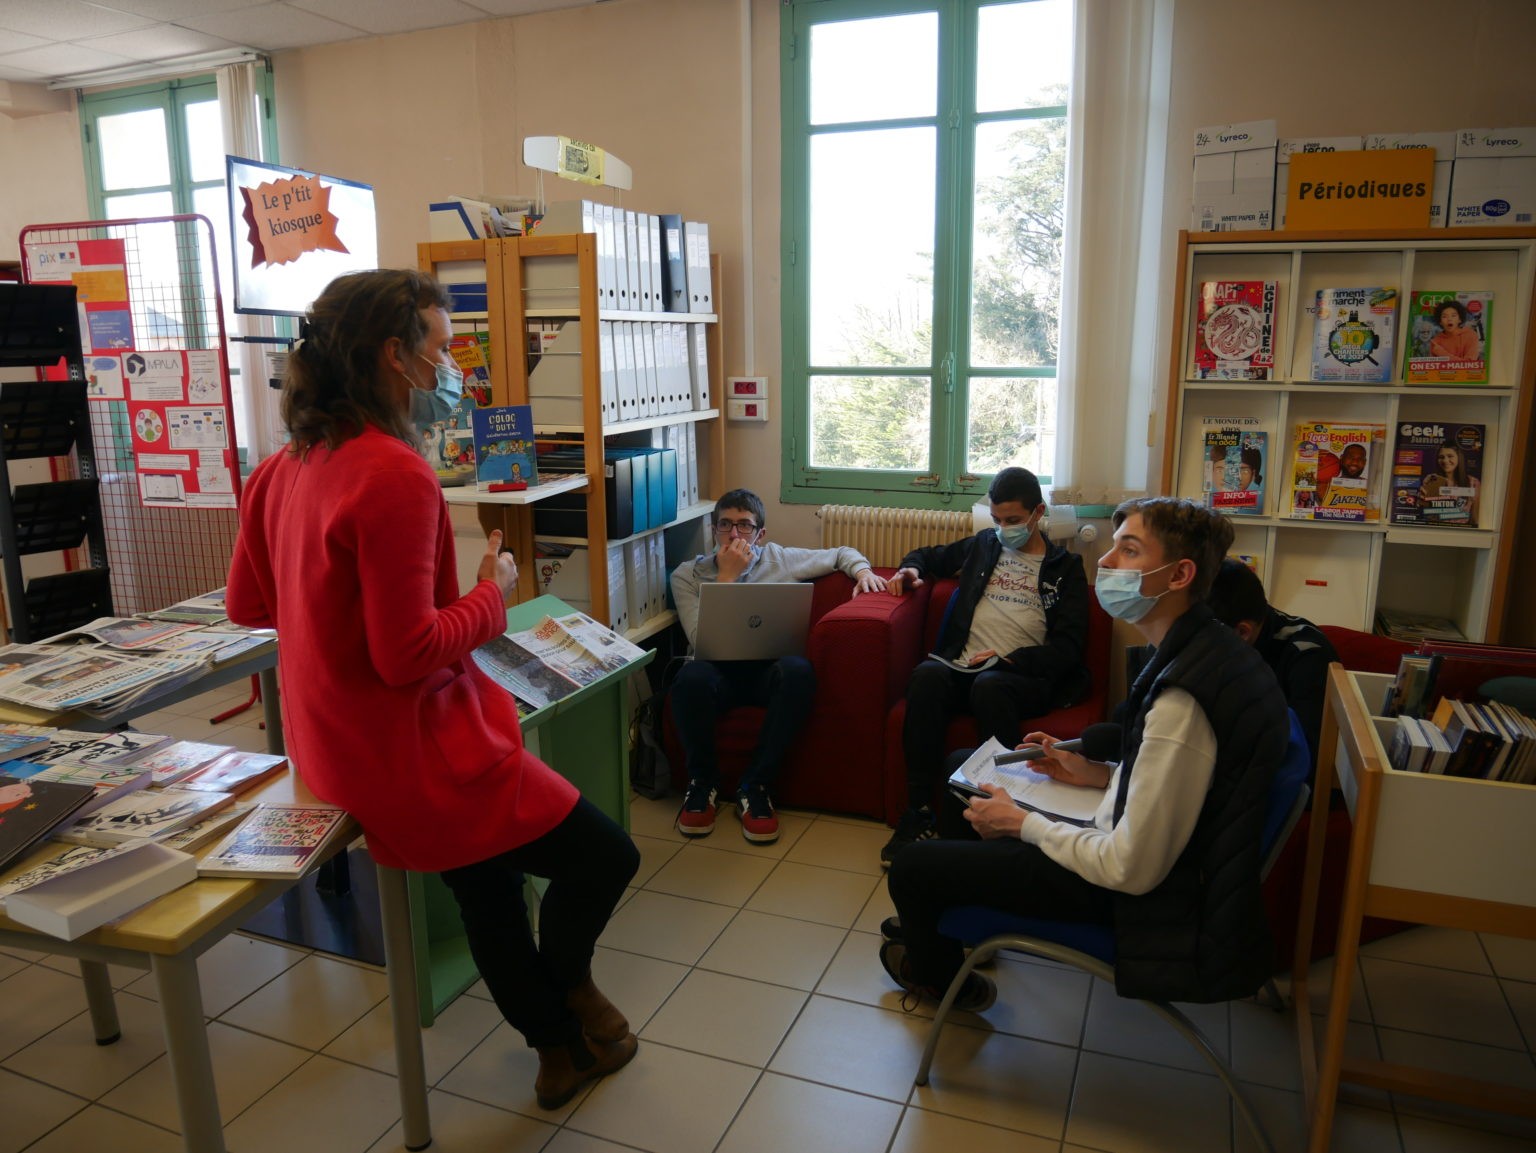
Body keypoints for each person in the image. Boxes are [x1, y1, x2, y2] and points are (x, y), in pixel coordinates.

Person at [225, 269, 640, 1111]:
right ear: (395, 355)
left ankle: (557, 1049)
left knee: (487, 892)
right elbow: (408, 654)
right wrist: (492, 594)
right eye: (444, 350)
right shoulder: (394, 472)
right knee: (606, 856)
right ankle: (568, 997)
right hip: (417, 753)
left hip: (334, 752)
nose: (454, 370)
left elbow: (247, 604)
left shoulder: (283, 466)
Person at [881, 497, 1288, 1011]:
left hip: (1134, 897)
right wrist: (1095, 773)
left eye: (1129, 550)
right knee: (961, 766)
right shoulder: (1202, 650)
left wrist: (1023, 826)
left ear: (1180, 574)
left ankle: (940, 982)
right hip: (1135, 843)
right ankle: (959, 916)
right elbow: (1180, 781)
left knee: (911, 866)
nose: (1107, 561)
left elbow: (1130, 868)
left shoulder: (1182, 702)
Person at [879, 466, 1090, 867]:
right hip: (963, 667)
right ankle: (919, 810)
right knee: (926, 676)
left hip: (1020, 676)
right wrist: (910, 570)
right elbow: (928, 556)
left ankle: (999, 811)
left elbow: (1069, 648)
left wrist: (1009, 659)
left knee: (990, 685)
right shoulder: (984, 546)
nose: (1003, 529)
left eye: (1013, 520)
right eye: (996, 519)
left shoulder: (1065, 569)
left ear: (1038, 513)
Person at [669, 489, 886, 843]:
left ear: (760, 534)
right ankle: (702, 783)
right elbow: (699, 637)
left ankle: (756, 785)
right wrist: (727, 577)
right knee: (688, 677)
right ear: (713, 530)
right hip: (714, 672)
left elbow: (841, 553)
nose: (734, 535)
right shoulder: (687, 575)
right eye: (725, 525)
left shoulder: (779, 559)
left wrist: (862, 571)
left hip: (766, 672)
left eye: (744, 526)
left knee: (798, 671)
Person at [1207, 558, 1338, 763]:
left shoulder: (1307, 655)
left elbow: (1302, 756)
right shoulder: (1233, 633)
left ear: (1242, 632)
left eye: (1205, 637)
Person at [1422, 439, 1481, 523]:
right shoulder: (1432, 480)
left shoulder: (1473, 483)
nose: (1445, 461)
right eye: (1441, 457)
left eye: (1450, 456)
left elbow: (1475, 519)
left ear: (1458, 458)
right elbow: (1428, 514)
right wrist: (1423, 498)